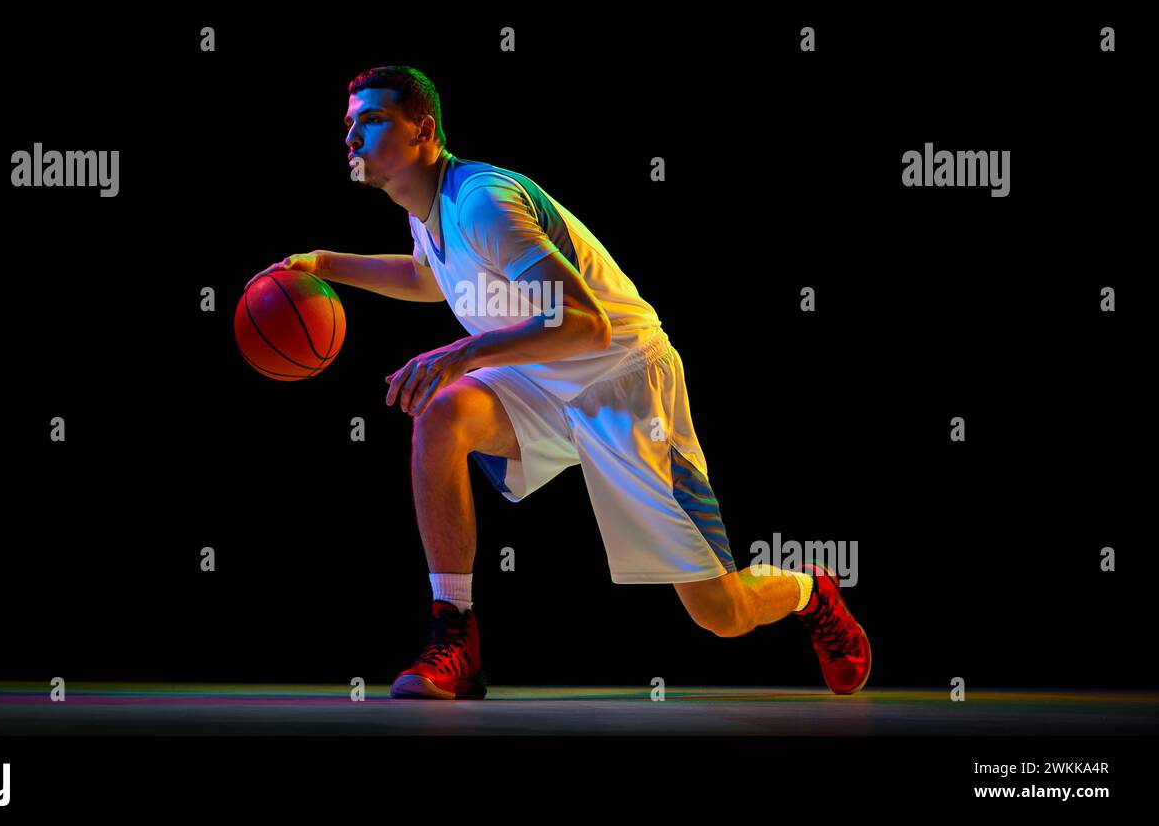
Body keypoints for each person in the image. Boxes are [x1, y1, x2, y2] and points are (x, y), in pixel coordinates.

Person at [246, 66, 871, 698]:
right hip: (543, 379)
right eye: (349, 124)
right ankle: (455, 631)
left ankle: (808, 592)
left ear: (423, 132)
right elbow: (428, 277)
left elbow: (587, 326)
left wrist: (463, 352)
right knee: (440, 415)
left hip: (623, 382)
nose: (352, 136)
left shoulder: (483, 201)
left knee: (721, 613)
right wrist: (324, 264)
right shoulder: (427, 211)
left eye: (373, 120)